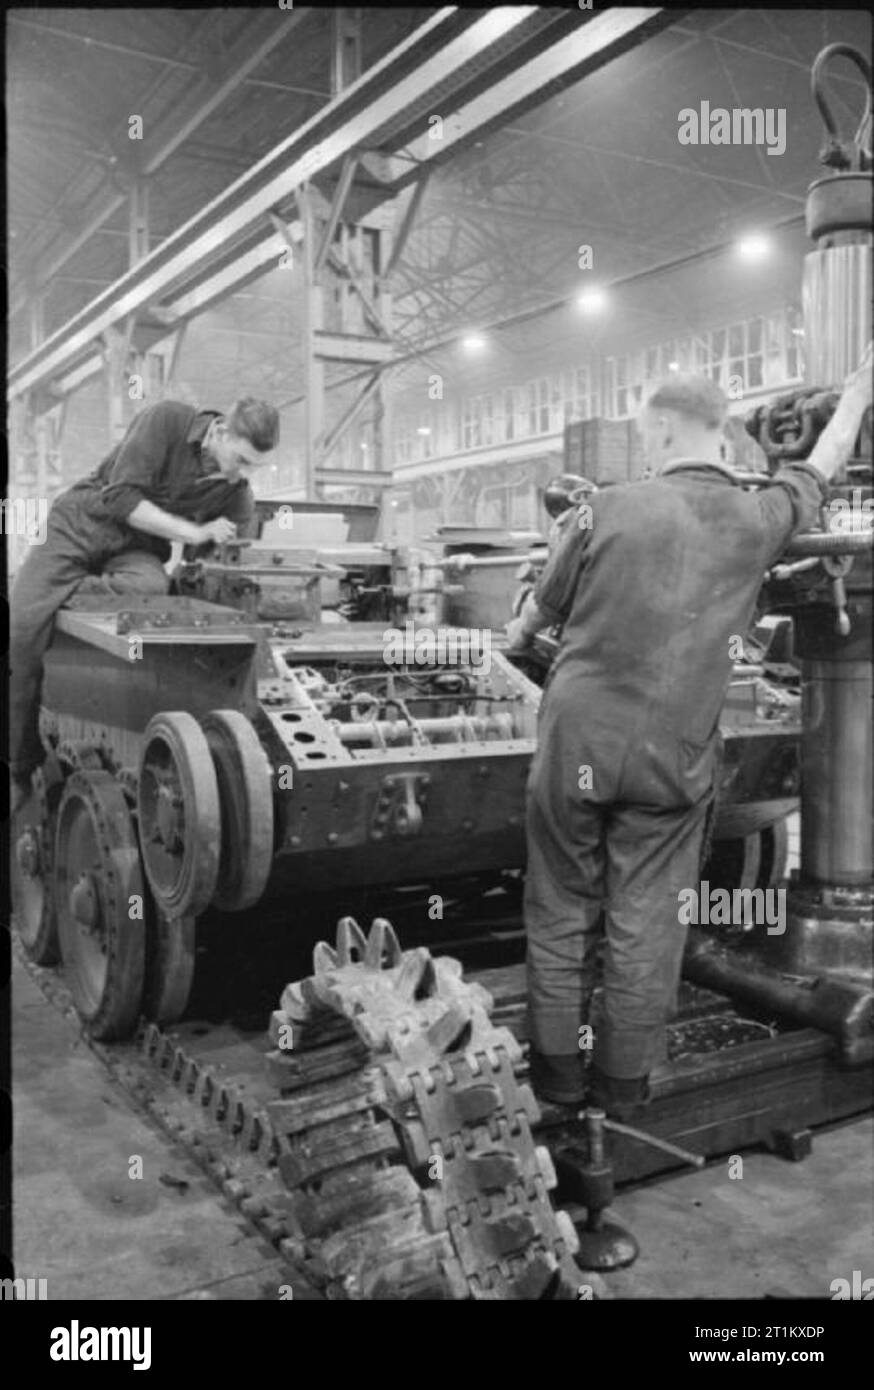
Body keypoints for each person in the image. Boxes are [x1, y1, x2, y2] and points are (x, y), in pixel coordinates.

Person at [507, 347, 873, 1117]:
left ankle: (557, 1087)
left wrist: (519, 631)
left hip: (577, 741)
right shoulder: (758, 517)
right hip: (670, 757)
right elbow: (820, 472)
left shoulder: (603, 507)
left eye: (646, 434)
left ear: (666, 430)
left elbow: (538, 613)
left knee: (563, 911)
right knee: (647, 921)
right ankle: (622, 1093)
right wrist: (857, 395)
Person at [8, 396, 279, 810]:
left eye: (251, 467)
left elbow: (223, 562)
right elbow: (120, 498)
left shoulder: (236, 493)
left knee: (152, 589)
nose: (240, 474)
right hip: (80, 524)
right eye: (240, 460)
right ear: (222, 431)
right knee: (21, 629)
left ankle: (58, 593)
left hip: (136, 551)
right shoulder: (167, 421)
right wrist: (193, 532)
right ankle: (18, 765)